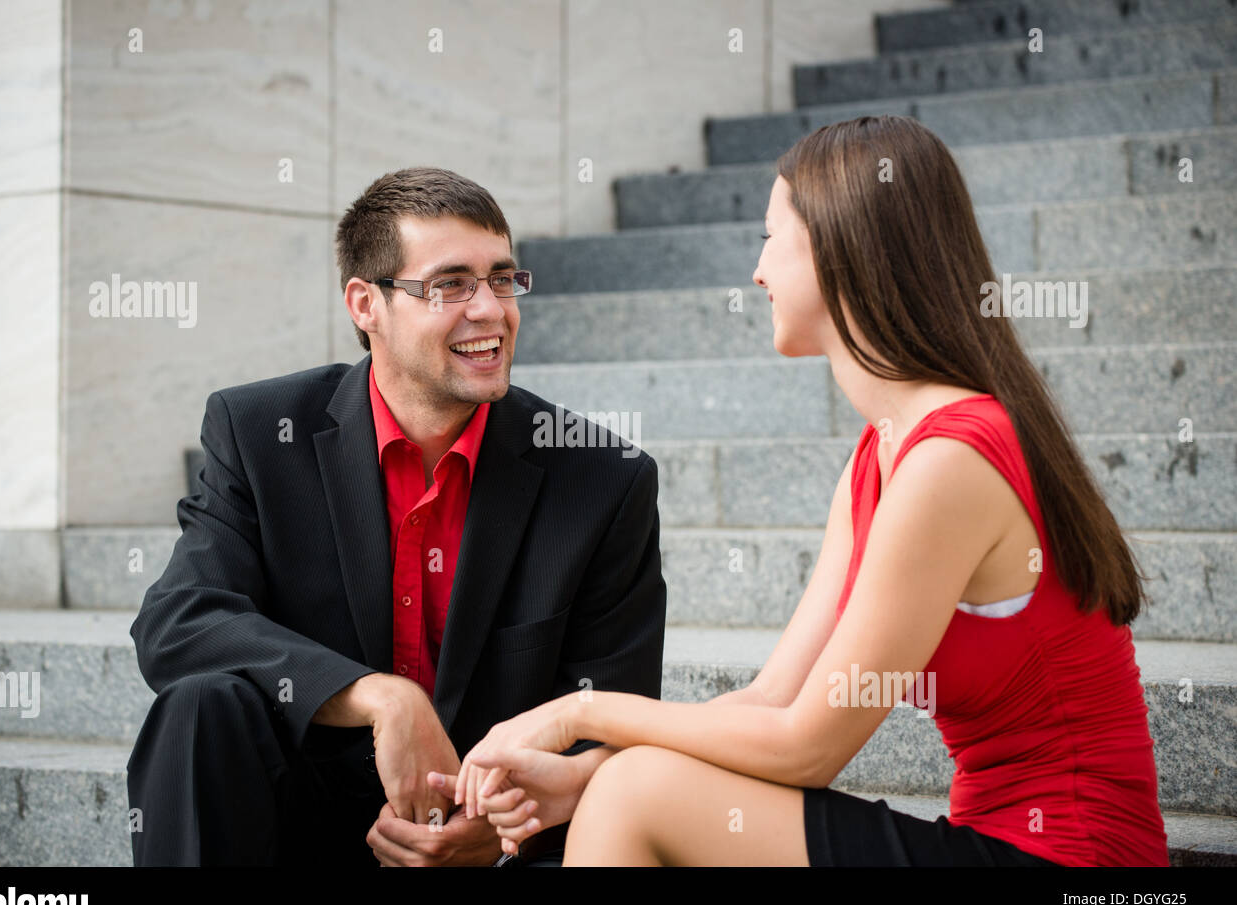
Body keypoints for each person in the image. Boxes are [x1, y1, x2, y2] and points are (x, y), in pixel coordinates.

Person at [452, 115, 1170, 867]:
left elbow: (807, 749)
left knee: (636, 792)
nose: (758, 272)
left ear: (837, 250)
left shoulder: (951, 461)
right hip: (989, 841)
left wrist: (579, 712)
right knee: (622, 784)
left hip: (1084, 872)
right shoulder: (881, 456)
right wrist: (582, 774)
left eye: (770, 238)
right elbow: (773, 703)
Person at [126, 167, 666, 867]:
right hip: (300, 828)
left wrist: (502, 827)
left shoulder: (601, 478)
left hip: (496, 844)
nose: (491, 310)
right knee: (199, 708)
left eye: (502, 278)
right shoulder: (261, 434)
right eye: (450, 284)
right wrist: (379, 697)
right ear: (365, 303)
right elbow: (179, 622)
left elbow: (613, 722)